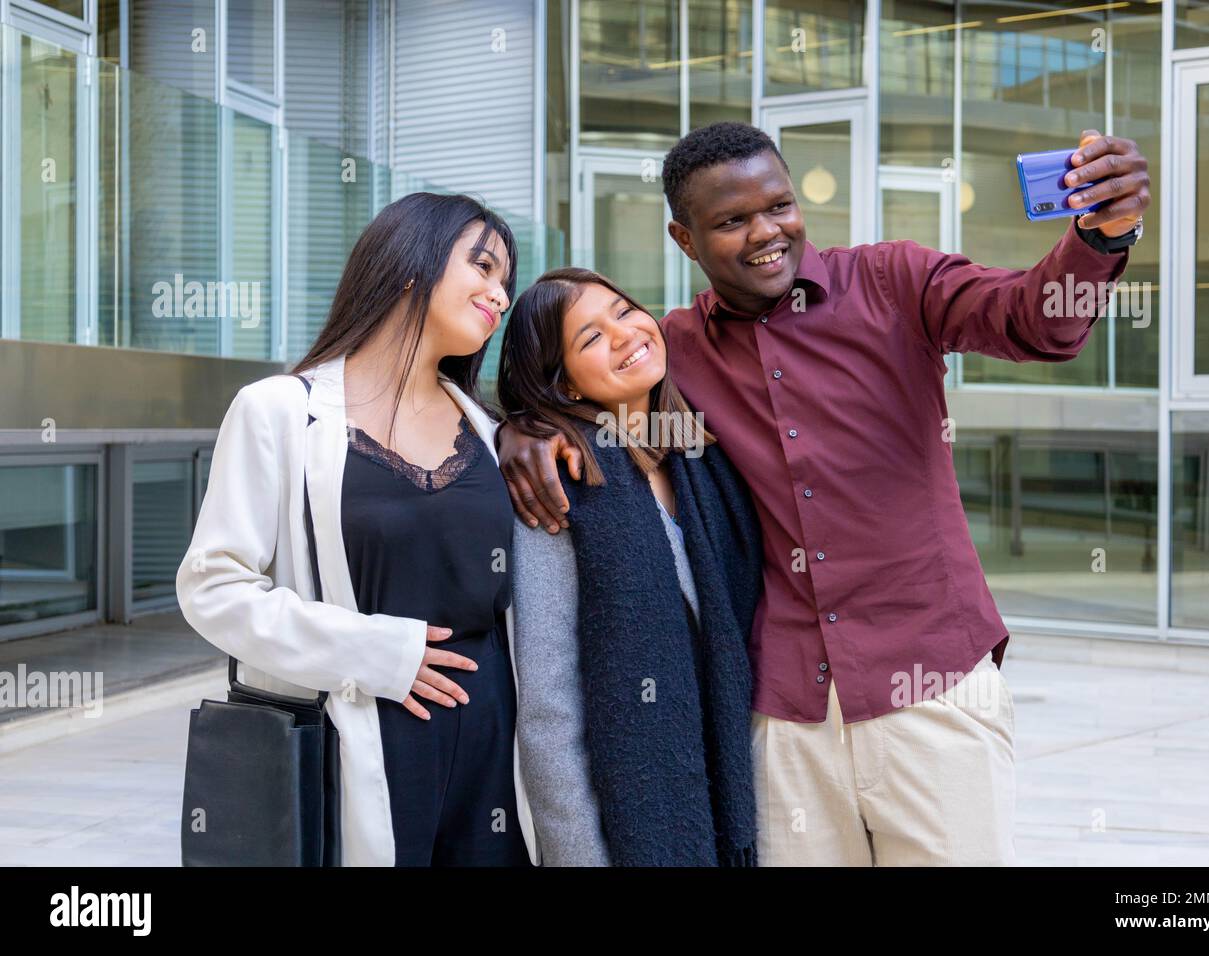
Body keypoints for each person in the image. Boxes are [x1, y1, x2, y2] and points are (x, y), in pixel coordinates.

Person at [497, 122, 1149, 866]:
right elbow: (587, 378)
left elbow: (1034, 320)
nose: (766, 233)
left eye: (778, 206)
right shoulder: (674, 347)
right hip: (787, 716)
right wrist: (528, 426)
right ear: (685, 240)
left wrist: (1100, 240)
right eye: (732, 221)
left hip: (931, 687)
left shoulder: (896, 282)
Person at [176, 191, 537, 867]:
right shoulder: (280, 411)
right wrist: (377, 653)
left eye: (506, 283)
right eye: (483, 267)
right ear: (410, 263)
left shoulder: (493, 436)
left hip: (493, 742)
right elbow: (213, 587)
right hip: (362, 730)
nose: (498, 293)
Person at [498, 267, 763, 866]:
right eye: (590, 338)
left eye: (623, 310)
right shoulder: (558, 486)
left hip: (724, 803)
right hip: (627, 831)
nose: (625, 334)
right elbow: (548, 702)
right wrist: (575, 854)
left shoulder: (699, 459)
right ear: (563, 385)